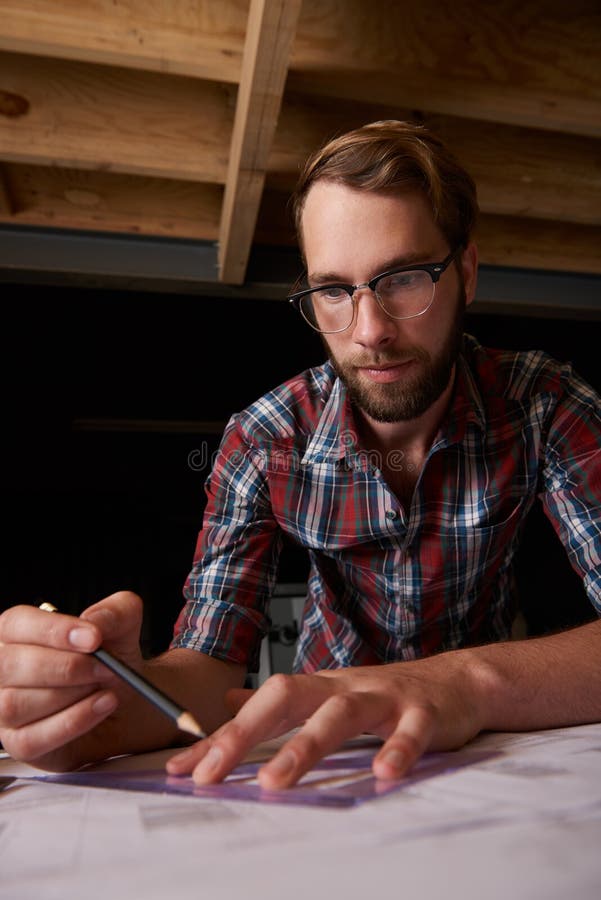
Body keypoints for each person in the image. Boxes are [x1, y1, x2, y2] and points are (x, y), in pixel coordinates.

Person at [1, 120, 600, 788]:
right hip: (323, 737)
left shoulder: (544, 403)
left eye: (402, 279)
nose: (368, 331)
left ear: (464, 271)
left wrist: (468, 680)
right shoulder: (261, 439)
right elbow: (205, 667)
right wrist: (102, 713)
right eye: (334, 290)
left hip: (492, 730)